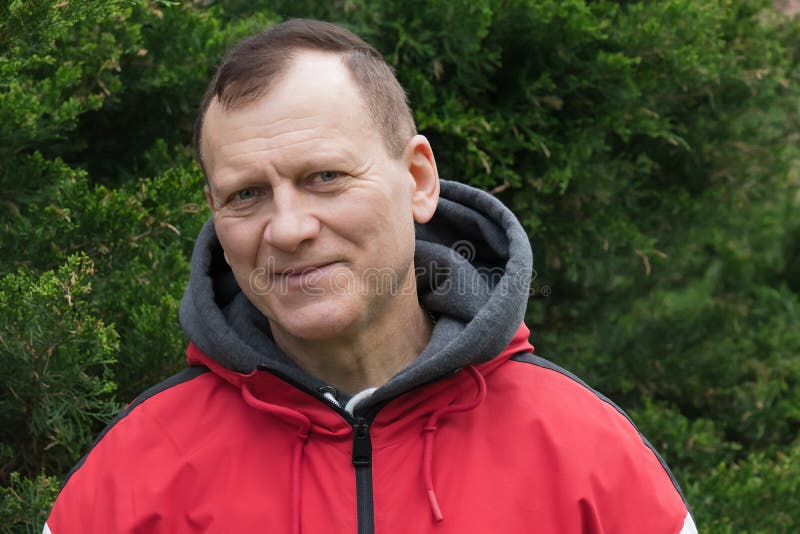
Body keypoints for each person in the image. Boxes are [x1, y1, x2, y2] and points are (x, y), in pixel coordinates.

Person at [44, 18, 696, 534]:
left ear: (417, 179)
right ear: (215, 213)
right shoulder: (133, 476)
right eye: (246, 195)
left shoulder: (585, 455)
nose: (289, 228)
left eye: (323, 177)